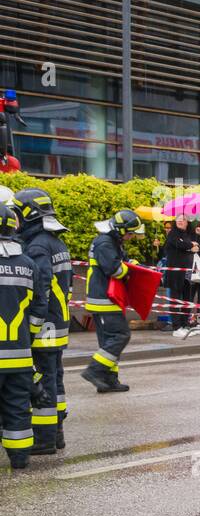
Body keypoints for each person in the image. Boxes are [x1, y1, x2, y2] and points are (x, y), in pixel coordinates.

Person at [13, 188, 72, 454]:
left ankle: (45, 438)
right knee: (55, 377)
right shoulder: (55, 241)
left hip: (45, 324)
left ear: (27, 214)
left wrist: (32, 326)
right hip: (58, 322)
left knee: (44, 379)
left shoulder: (37, 245)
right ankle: (57, 431)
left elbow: (42, 288)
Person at [80, 209, 141, 394]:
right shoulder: (104, 242)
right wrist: (131, 271)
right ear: (121, 230)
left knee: (108, 341)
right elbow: (115, 269)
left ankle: (109, 379)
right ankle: (95, 370)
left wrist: (132, 263)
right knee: (120, 336)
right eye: (130, 233)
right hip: (104, 298)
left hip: (107, 297)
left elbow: (120, 260)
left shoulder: (111, 240)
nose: (131, 237)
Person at [0, 203, 36, 470]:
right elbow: (37, 308)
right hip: (21, 355)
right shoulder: (27, 264)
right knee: (18, 408)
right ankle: (20, 458)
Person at [163, 217, 200, 334]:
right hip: (175, 273)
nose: (180, 220)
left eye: (183, 219)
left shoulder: (189, 234)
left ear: (187, 221)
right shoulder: (172, 233)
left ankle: (185, 325)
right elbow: (179, 244)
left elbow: (199, 246)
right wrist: (190, 245)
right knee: (175, 300)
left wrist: (194, 244)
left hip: (188, 272)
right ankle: (176, 327)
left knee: (187, 299)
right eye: (178, 218)